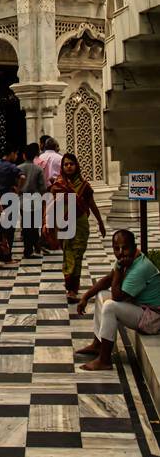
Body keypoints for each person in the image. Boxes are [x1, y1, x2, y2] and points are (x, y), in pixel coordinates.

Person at [75, 229, 160, 371]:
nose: (120, 252)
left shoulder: (140, 267)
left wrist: (119, 270)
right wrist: (85, 296)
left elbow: (116, 296)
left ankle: (105, 360)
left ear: (134, 247)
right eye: (116, 248)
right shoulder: (126, 260)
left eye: (125, 248)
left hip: (153, 318)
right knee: (102, 294)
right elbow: (108, 280)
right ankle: (98, 344)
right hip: (141, 310)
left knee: (110, 306)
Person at [47, 152, 106, 301]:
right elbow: (51, 205)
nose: (68, 167)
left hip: (80, 224)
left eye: (71, 164)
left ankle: (73, 289)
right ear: (62, 167)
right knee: (68, 254)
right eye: (65, 164)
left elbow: (92, 204)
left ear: (76, 166)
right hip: (64, 224)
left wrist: (100, 222)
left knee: (77, 255)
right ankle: (70, 287)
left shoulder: (85, 186)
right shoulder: (58, 185)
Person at [0, 148, 24, 263]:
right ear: (11, 153)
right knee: (9, 229)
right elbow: (22, 177)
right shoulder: (11, 166)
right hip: (9, 198)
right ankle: (8, 256)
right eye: (15, 153)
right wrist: (18, 189)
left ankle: (1, 254)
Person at [18, 144, 46, 257]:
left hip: (23, 200)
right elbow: (43, 187)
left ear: (24, 156)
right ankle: (35, 247)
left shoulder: (19, 168)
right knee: (34, 226)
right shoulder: (38, 169)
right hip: (35, 200)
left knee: (26, 226)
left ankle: (27, 249)